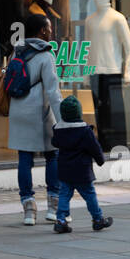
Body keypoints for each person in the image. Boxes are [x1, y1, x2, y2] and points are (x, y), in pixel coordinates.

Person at [8, 15, 62, 225]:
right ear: (41, 31)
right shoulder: (46, 55)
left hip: (19, 110)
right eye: (48, 28)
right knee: (52, 155)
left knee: (24, 158)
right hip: (41, 111)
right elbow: (53, 90)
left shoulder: (17, 51)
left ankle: (28, 208)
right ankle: (53, 206)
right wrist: (63, 120)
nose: (51, 31)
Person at [50, 95, 112, 233]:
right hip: (82, 172)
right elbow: (95, 148)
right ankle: (97, 219)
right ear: (79, 113)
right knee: (90, 195)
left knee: (64, 195)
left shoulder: (58, 130)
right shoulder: (85, 131)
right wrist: (100, 160)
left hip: (65, 171)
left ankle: (60, 220)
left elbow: (54, 143)